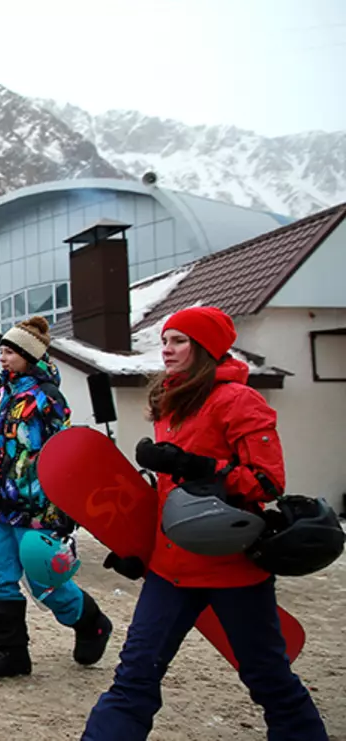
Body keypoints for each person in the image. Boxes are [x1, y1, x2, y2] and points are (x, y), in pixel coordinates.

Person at [82, 306, 327, 739]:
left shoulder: (239, 400)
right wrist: (138, 549)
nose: (167, 350)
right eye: (165, 341)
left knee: (267, 677)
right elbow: (166, 497)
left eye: (179, 341)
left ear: (205, 348)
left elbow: (267, 482)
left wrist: (196, 465)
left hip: (231, 568)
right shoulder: (170, 402)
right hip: (170, 569)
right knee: (134, 676)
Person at [0, 316, 113, 679]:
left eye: (9, 352)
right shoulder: (0, 392)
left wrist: (65, 505)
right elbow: (3, 442)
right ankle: (10, 653)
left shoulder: (48, 398)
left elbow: (62, 452)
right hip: (0, 502)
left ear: (28, 355)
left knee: (44, 583)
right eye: (1, 351)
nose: (2, 358)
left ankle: (91, 623)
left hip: (38, 507)